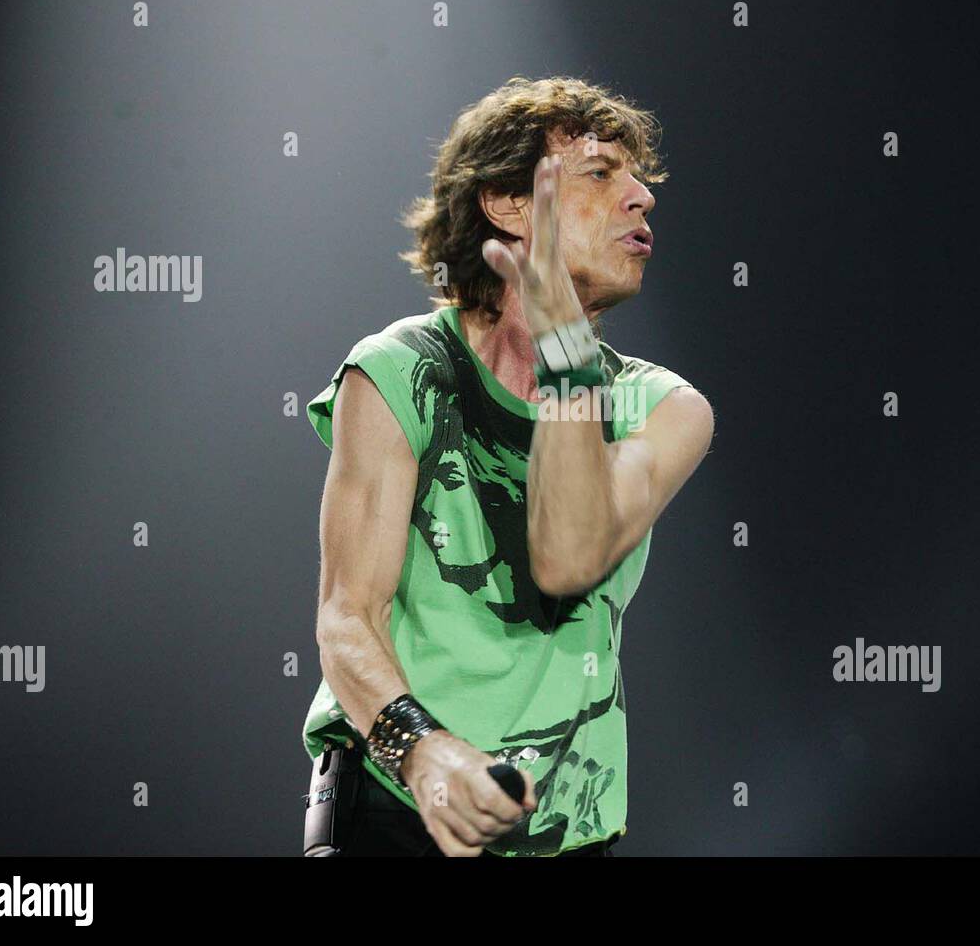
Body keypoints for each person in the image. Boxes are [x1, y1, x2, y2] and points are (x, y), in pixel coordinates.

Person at [300, 76, 714, 857]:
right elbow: (346, 618)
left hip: (565, 831)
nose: (641, 199)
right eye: (601, 173)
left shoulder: (662, 407)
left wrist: (565, 354)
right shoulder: (403, 371)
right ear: (508, 203)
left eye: (639, 179)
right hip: (397, 808)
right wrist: (424, 753)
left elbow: (566, 557)